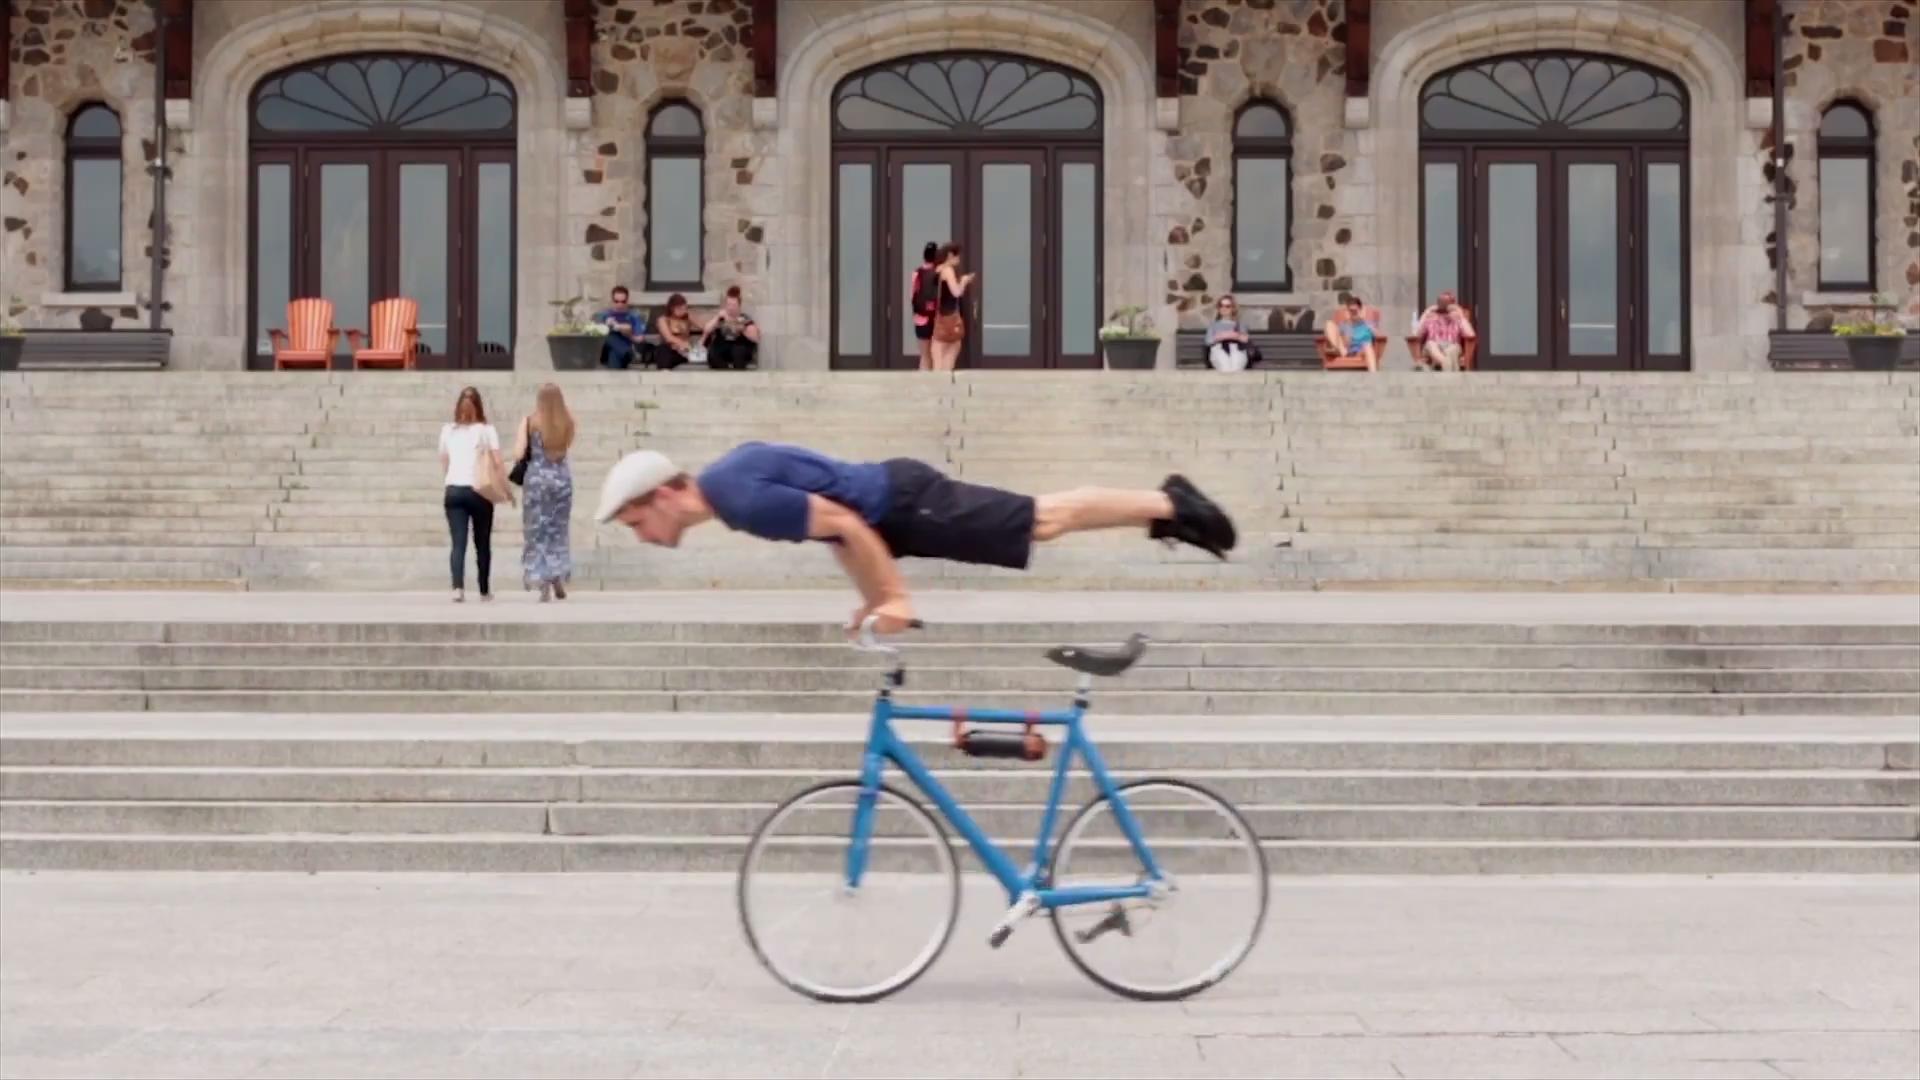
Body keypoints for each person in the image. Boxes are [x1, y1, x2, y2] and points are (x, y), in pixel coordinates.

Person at [594, 442, 1237, 634]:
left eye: (637, 524)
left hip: (906, 505)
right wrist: (875, 599)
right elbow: (841, 532)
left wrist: (896, 598)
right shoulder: (730, 489)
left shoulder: (737, 497)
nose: (644, 538)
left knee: (1044, 518)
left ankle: (1168, 503)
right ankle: (1167, 509)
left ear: (664, 495)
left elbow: (847, 524)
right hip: (896, 508)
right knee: (1045, 520)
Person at [438, 386, 504, 603]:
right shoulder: (486, 430)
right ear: (479, 406)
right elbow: (497, 462)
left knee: (458, 543)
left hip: (454, 490)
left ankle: (457, 587)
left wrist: (452, 477)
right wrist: (503, 486)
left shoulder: (448, 430)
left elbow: (444, 461)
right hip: (479, 490)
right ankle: (484, 590)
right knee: (482, 543)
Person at [514, 382, 576, 602]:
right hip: (561, 480)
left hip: (537, 481)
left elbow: (519, 452)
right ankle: (557, 577)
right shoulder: (567, 422)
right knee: (558, 530)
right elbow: (567, 446)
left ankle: (541, 581)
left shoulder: (530, 422)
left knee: (537, 530)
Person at [927, 243, 974, 372]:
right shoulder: (948, 271)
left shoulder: (937, 270)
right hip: (949, 317)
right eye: (957, 255)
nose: (959, 258)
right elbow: (956, 292)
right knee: (952, 352)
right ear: (950, 255)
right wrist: (963, 281)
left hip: (937, 318)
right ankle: (944, 387)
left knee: (937, 358)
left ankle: (937, 387)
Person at [699, 286, 761, 371]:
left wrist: (742, 328)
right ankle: (727, 373)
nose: (730, 308)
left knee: (738, 351)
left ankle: (737, 377)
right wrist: (717, 318)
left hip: (738, 349)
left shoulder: (744, 319)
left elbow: (756, 338)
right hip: (722, 349)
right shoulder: (721, 318)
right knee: (712, 353)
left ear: (739, 306)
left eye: (733, 305)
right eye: (728, 304)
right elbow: (706, 329)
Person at [1415, 290, 1476, 372]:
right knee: (1430, 344)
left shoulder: (1457, 318)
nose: (1444, 305)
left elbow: (1470, 334)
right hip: (1433, 347)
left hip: (1452, 345)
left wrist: (1461, 315)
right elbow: (1416, 335)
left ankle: (1442, 366)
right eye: (1441, 302)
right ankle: (1446, 365)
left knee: (1451, 350)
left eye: (1447, 302)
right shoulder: (1431, 317)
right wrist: (1425, 314)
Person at [1324, 295, 1381, 372]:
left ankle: (1373, 377)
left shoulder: (1368, 324)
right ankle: (1337, 349)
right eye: (1351, 311)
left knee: (1367, 346)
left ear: (1360, 310)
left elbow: (1378, 337)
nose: (1353, 313)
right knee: (1329, 323)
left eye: (1355, 311)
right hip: (1346, 350)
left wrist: (1363, 320)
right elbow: (1346, 342)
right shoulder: (1344, 325)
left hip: (1361, 351)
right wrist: (1349, 324)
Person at [1205, 295, 1262, 372]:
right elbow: (1208, 341)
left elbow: (1245, 339)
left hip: (1237, 349)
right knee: (1225, 367)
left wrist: (1229, 335)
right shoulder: (1213, 325)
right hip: (1218, 349)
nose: (1224, 308)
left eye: (1227, 306)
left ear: (1233, 308)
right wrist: (1224, 336)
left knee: (1236, 367)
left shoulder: (1240, 325)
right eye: (1221, 306)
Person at [594, 286, 645, 370]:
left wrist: (624, 331)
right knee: (610, 335)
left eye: (623, 301)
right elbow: (594, 335)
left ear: (627, 301)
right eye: (616, 301)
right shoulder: (604, 315)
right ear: (612, 300)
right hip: (605, 352)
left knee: (614, 354)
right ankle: (627, 352)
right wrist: (606, 326)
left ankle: (625, 353)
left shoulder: (633, 315)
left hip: (623, 355)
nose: (620, 304)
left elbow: (639, 339)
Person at [908, 241, 941, 370]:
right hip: (937, 318)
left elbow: (912, 295)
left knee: (925, 355)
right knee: (936, 354)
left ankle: (924, 384)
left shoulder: (916, 273)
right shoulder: (939, 272)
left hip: (921, 318)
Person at [652, 293, 694, 370]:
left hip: (683, 353)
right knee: (663, 350)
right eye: (679, 308)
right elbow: (668, 338)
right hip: (669, 350)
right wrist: (683, 343)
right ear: (672, 308)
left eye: (684, 308)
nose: (682, 311)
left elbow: (704, 326)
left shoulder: (688, 319)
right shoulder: (663, 320)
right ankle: (664, 374)